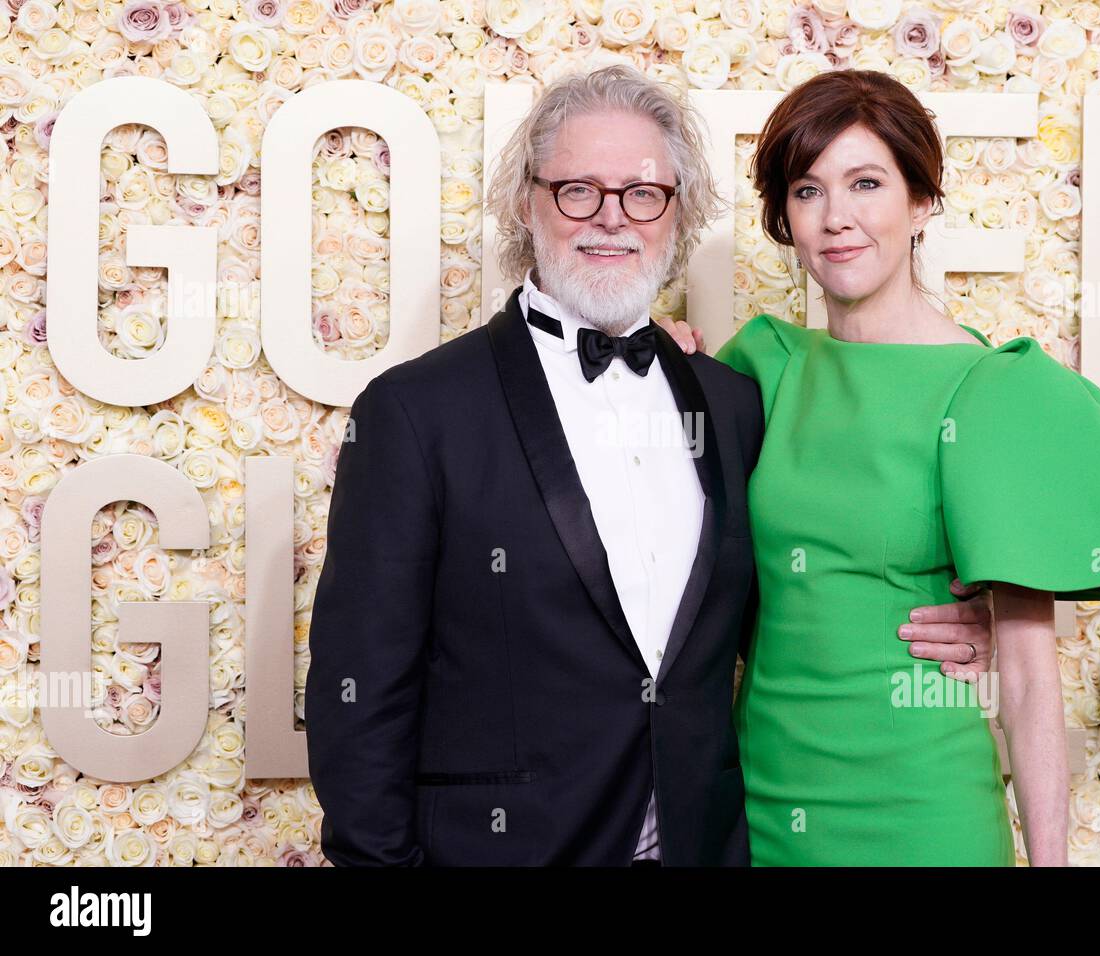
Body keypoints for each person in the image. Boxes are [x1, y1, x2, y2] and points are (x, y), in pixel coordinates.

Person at [304, 65, 997, 867]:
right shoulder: (416, 412)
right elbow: (360, 689)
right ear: (527, 202)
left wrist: (966, 624)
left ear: (678, 214)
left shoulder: (731, 403)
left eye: (643, 194)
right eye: (577, 191)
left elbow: (796, 593)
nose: (611, 219)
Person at [661, 69, 1100, 866]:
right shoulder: (762, 365)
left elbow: (1033, 682)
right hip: (765, 810)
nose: (837, 219)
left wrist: (1051, 863)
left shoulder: (996, 389)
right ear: (784, 218)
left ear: (922, 201)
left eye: (867, 183)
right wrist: (650, 359)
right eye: (807, 190)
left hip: (926, 813)